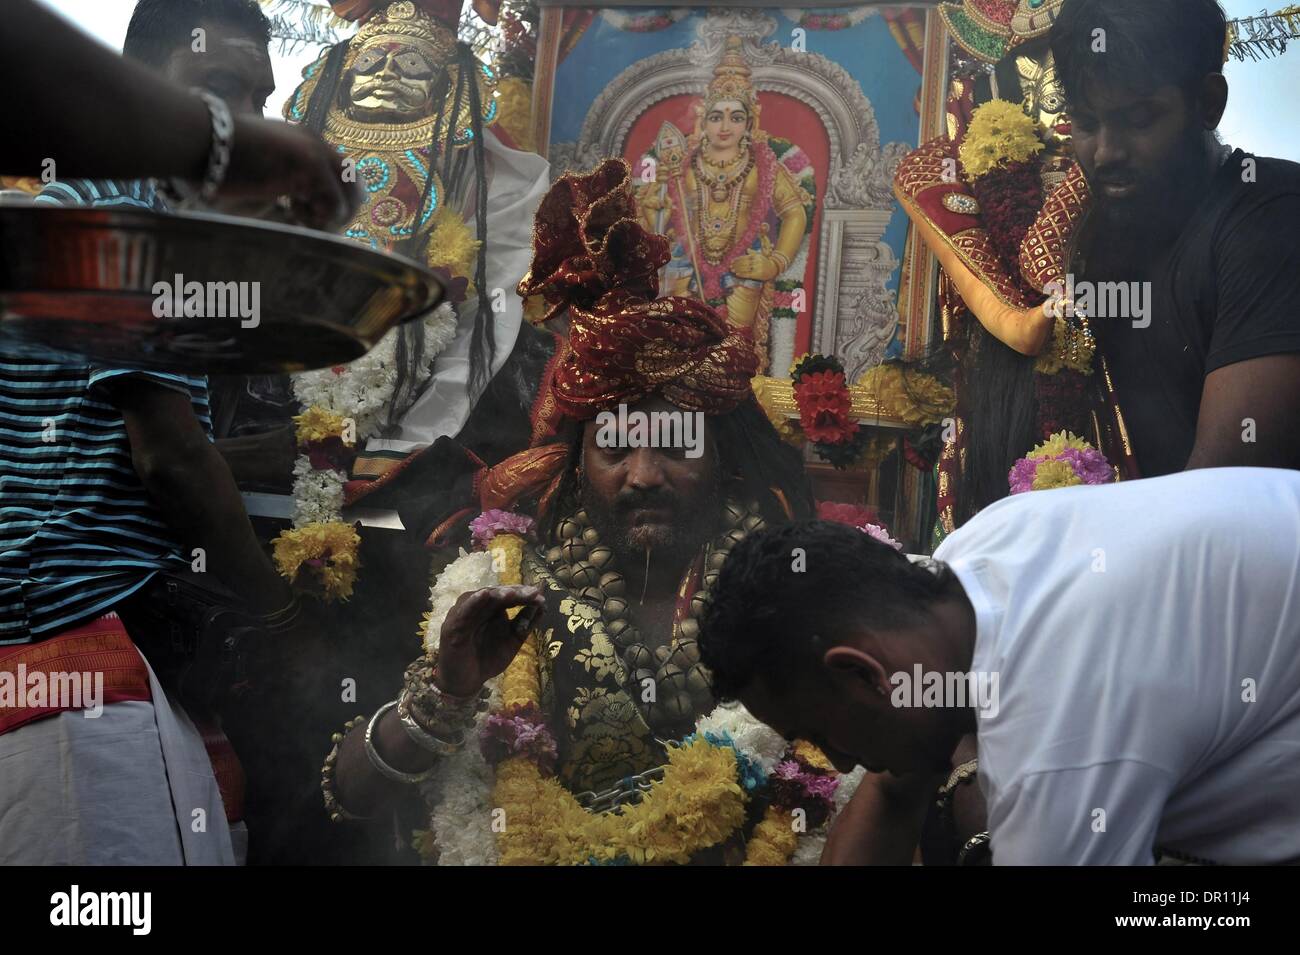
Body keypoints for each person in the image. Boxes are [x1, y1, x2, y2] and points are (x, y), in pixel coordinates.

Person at [322, 159, 845, 866]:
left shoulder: (789, 598)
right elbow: (352, 794)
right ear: (575, 461)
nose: (644, 475)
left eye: (675, 448)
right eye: (615, 449)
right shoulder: (505, 592)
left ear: (724, 458)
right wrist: (443, 692)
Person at [0, 0, 334, 865]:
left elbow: (118, 443)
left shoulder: (74, 207)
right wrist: (282, 618)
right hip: (85, 667)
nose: (241, 125)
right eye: (215, 90)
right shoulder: (121, 217)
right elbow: (172, 461)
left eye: (258, 98)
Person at [698, 467, 1300, 865]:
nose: (844, 760)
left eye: (825, 734)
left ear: (864, 674)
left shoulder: (1057, 731)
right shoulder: (975, 557)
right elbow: (893, 788)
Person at [1051, 0, 1300, 476]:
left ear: (1208, 103)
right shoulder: (1090, 242)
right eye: (1085, 123)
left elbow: (1223, 493)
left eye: (1140, 119)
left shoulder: (1274, 214)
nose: (1106, 153)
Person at [2, 0, 354, 229]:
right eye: (221, 87)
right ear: (141, 81)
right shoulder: (90, 203)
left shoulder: (255, 221)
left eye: (261, 100)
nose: (252, 122)